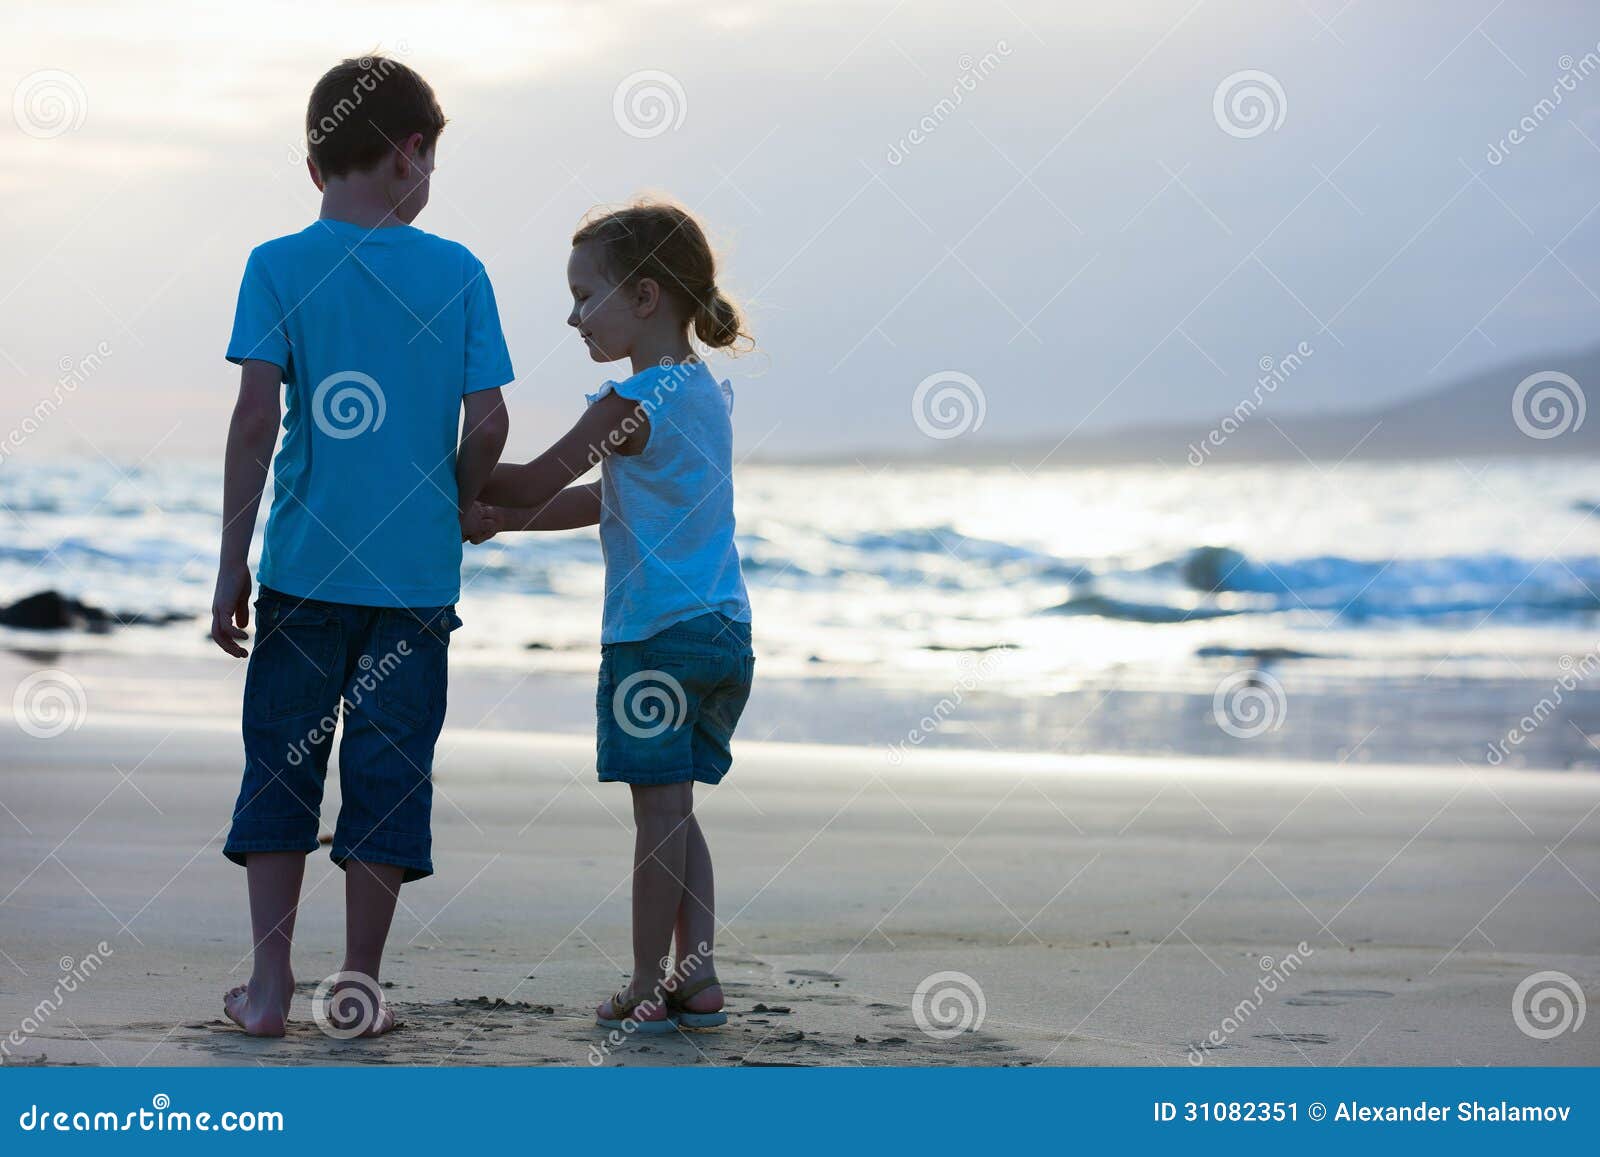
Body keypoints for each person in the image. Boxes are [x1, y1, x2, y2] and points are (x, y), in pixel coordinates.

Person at [210, 55, 512, 1037]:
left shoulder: (276, 263)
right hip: (414, 584)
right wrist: (458, 503)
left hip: (302, 574)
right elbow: (491, 422)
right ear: (410, 152)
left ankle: (266, 992)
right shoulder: (459, 271)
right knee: (387, 776)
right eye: (431, 163)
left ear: (315, 168)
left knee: (281, 771)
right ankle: (357, 986)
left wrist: (230, 563)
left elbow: (255, 420)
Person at [469, 200, 753, 1031]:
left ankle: (642, 982)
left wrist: (440, 478)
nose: (572, 315)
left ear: (645, 297)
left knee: (656, 814)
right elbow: (604, 500)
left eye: (585, 294)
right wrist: (504, 521)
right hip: (722, 633)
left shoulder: (625, 403)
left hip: (653, 635)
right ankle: (695, 977)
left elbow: (529, 479)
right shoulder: (700, 394)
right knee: (677, 806)